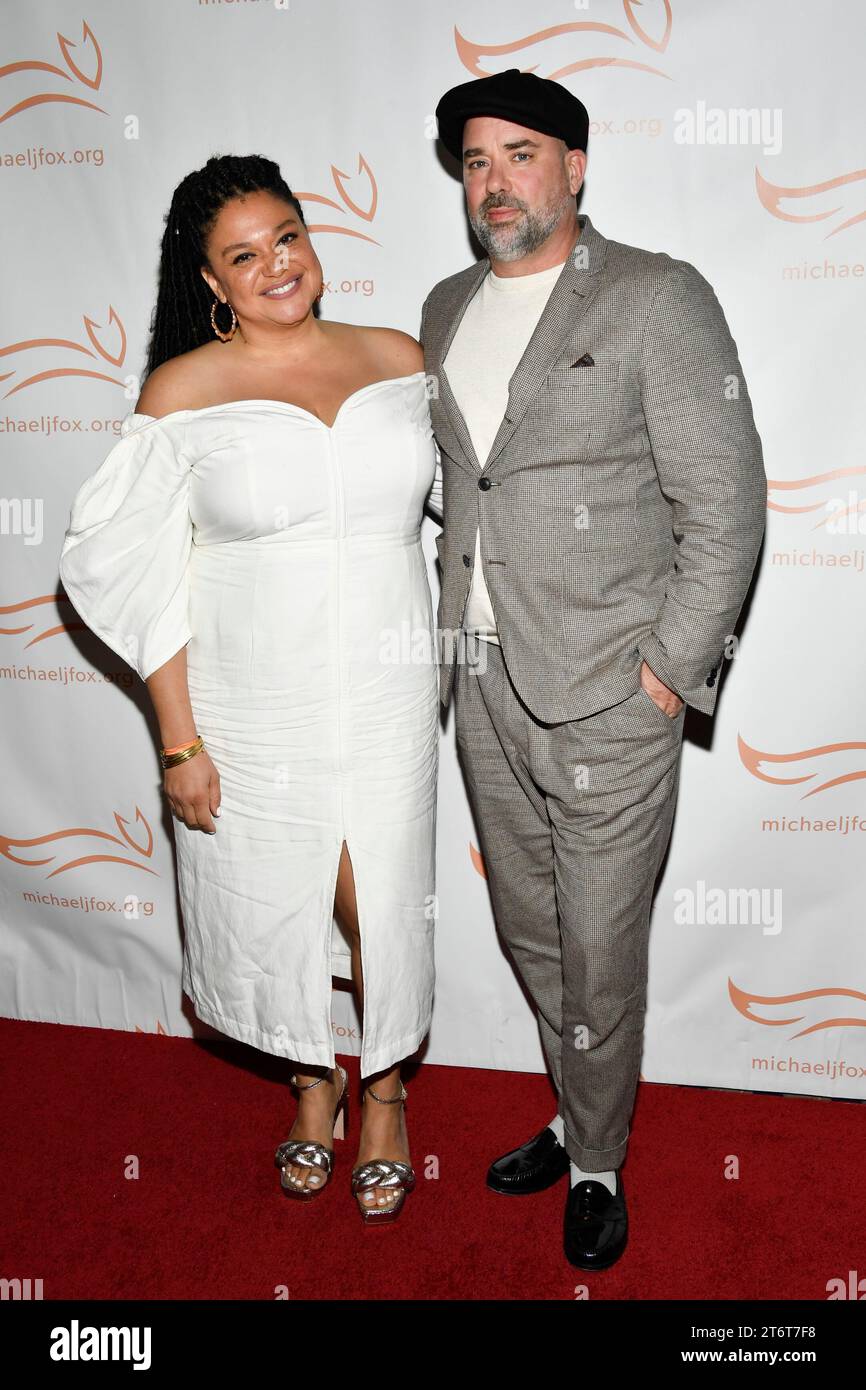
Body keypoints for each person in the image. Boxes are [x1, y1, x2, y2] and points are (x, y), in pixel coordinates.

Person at [421, 70, 767, 1268]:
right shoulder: (444, 306)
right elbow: (464, 486)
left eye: (519, 154)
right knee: (530, 931)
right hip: (479, 683)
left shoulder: (654, 297)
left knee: (599, 948)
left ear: (572, 167)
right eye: (474, 160)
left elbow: (724, 506)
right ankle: (575, 1110)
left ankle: (597, 1162)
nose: (494, 182)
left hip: (609, 697)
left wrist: (665, 674)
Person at [59, 154, 440, 1224]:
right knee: (271, 897)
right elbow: (135, 572)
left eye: (287, 236)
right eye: (243, 255)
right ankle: (312, 1079)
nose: (276, 264)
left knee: (382, 903)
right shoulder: (182, 391)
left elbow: (468, 506)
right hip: (251, 699)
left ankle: (385, 1090)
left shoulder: (397, 357)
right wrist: (178, 741)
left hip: (389, 689)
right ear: (211, 282)